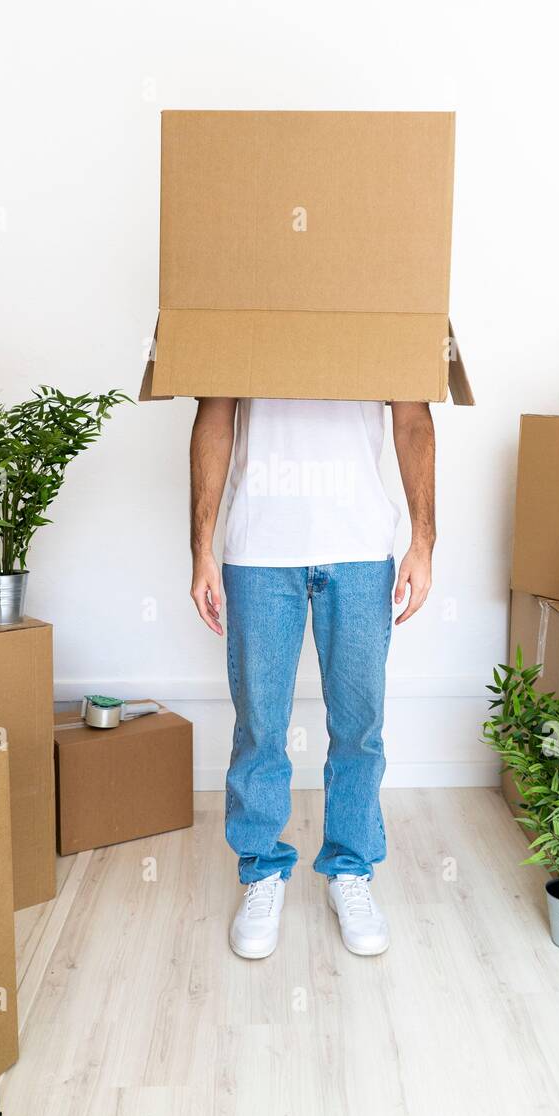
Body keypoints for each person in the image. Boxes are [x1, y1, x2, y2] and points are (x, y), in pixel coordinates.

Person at [189, 397, 435, 959]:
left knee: (359, 725)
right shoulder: (235, 309)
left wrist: (423, 542)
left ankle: (351, 867)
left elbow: (413, 417)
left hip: (359, 545)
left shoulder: (387, 314)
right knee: (259, 726)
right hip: (259, 546)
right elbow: (214, 416)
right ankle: (261, 871)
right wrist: (201, 548)